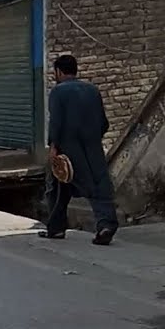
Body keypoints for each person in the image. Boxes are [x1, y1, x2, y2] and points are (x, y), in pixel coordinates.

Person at [42, 54, 119, 245]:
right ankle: (106, 224)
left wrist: (53, 146)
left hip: (67, 149)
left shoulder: (58, 92)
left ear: (58, 72)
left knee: (56, 186)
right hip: (92, 146)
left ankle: (57, 228)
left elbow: (56, 123)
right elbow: (104, 123)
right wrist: (92, 139)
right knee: (99, 185)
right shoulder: (92, 90)